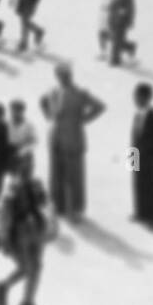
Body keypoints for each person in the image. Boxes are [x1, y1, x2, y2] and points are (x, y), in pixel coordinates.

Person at [39, 63, 105, 220]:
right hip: (56, 138)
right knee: (56, 174)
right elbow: (44, 103)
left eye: (66, 75)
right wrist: (47, 114)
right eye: (61, 75)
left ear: (71, 76)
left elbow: (99, 106)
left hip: (74, 139)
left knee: (74, 176)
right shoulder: (53, 91)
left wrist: (84, 119)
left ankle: (76, 209)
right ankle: (58, 206)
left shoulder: (80, 93)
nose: (64, 78)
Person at [0, 152, 53, 305]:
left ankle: (27, 303)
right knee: (25, 268)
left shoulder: (36, 183)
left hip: (36, 229)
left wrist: (48, 222)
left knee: (36, 267)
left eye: (31, 163)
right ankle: (4, 286)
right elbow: (5, 214)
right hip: (20, 233)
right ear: (18, 165)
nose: (29, 167)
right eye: (25, 163)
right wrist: (4, 237)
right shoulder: (13, 186)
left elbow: (45, 203)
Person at [130, 82, 153, 229]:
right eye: (135, 97)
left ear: (146, 98)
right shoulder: (137, 114)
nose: (135, 100)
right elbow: (134, 137)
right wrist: (131, 159)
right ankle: (141, 213)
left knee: (152, 188)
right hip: (137, 156)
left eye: (138, 97)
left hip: (150, 158)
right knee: (138, 185)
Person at [106, 0, 137, 66]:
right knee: (114, 38)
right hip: (111, 18)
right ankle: (129, 47)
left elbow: (131, 7)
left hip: (121, 20)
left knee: (116, 39)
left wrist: (130, 20)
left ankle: (115, 60)